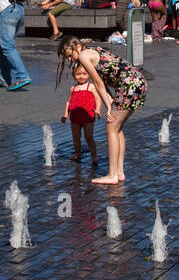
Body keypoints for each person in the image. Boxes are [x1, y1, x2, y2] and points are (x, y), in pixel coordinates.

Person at [56, 36, 145, 185]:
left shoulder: (84, 56)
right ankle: (119, 172)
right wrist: (109, 103)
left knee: (111, 127)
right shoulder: (94, 50)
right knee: (117, 127)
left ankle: (112, 175)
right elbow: (103, 81)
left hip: (129, 85)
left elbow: (97, 82)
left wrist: (109, 107)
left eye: (70, 55)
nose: (71, 60)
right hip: (136, 82)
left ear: (76, 46)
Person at [61, 63, 103, 167]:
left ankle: (94, 156)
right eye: (78, 74)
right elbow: (69, 102)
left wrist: (98, 109)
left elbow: (98, 98)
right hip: (75, 117)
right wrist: (66, 114)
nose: (81, 76)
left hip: (88, 116)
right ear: (74, 75)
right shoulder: (73, 88)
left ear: (89, 74)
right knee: (76, 137)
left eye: (84, 74)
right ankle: (77, 154)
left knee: (88, 136)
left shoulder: (91, 87)